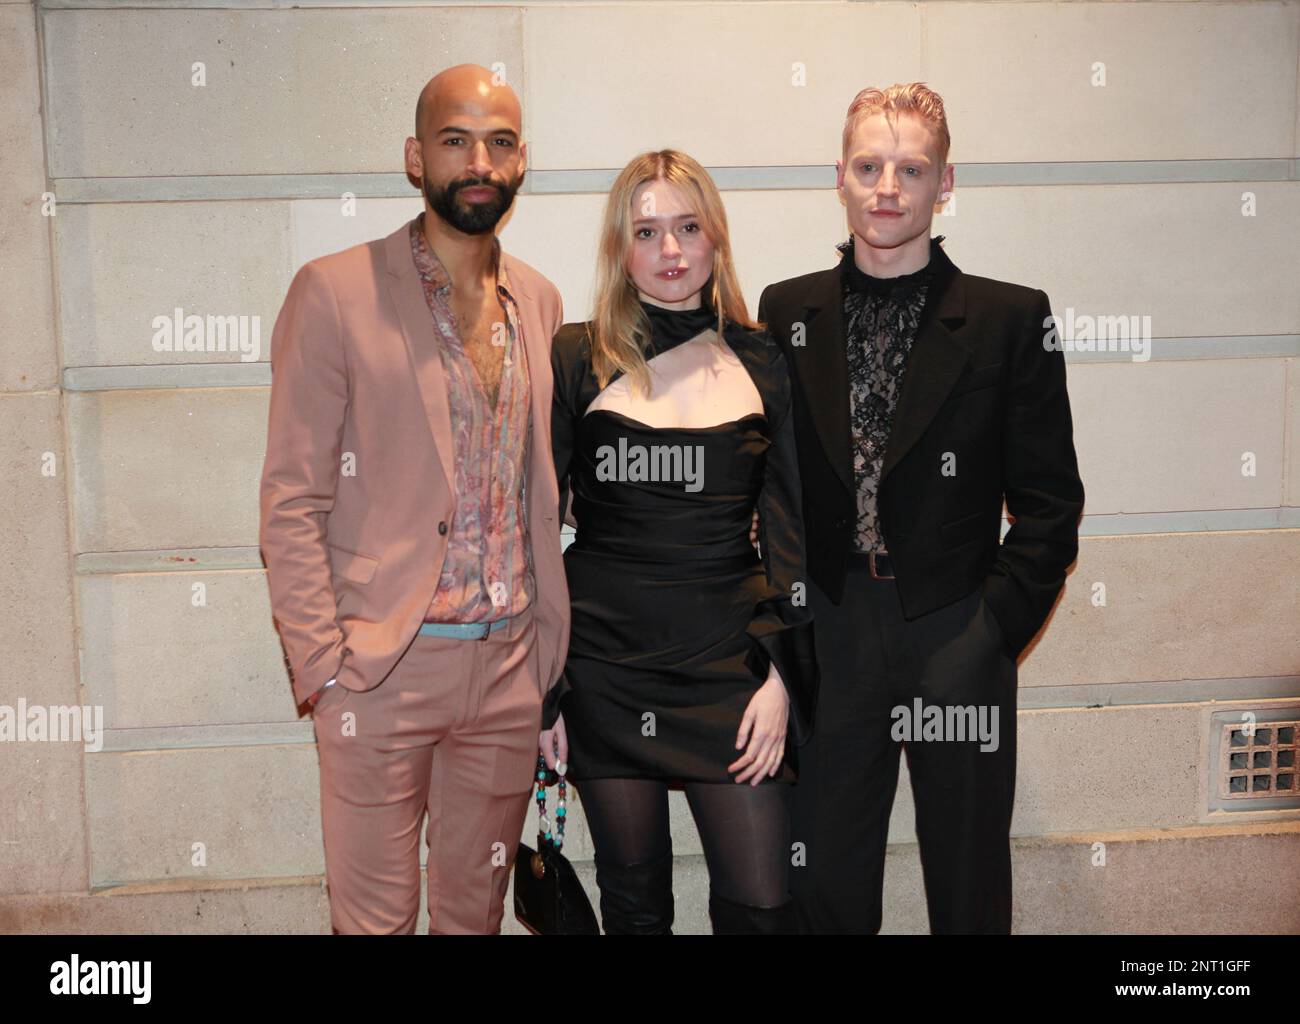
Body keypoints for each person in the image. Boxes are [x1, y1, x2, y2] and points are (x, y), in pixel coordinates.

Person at [757, 83, 1084, 934]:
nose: (887, 187)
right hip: (831, 632)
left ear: (945, 182)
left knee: (969, 881)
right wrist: (787, 620)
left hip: (955, 628)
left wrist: (991, 632)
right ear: (840, 177)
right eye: (869, 167)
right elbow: (776, 490)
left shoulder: (1012, 318)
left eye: (910, 169)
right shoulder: (787, 311)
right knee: (827, 878)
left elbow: (1051, 505)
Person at [258, 64, 570, 934]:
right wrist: (325, 666)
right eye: (456, 139)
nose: (480, 159)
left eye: (500, 141)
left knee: (475, 916)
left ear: (521, 162)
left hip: (510, 674)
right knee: (376, 923)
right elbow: (290, 497)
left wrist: (547, 661)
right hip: (381, 671)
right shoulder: (335, 292)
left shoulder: (539, 302)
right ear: (413, 156)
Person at [539, 150, 818, 935]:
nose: (670, 251)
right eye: (647, 231)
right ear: (620, 251)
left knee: (763, 902)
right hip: (603, 662)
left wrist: (784, 678)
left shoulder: (764, 359)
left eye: (687, 228)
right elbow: (535, 528)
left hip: (728, 666)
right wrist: (543, 692)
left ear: (715, 239)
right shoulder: (576, 355)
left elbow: (790, 534)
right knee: (632, 901)